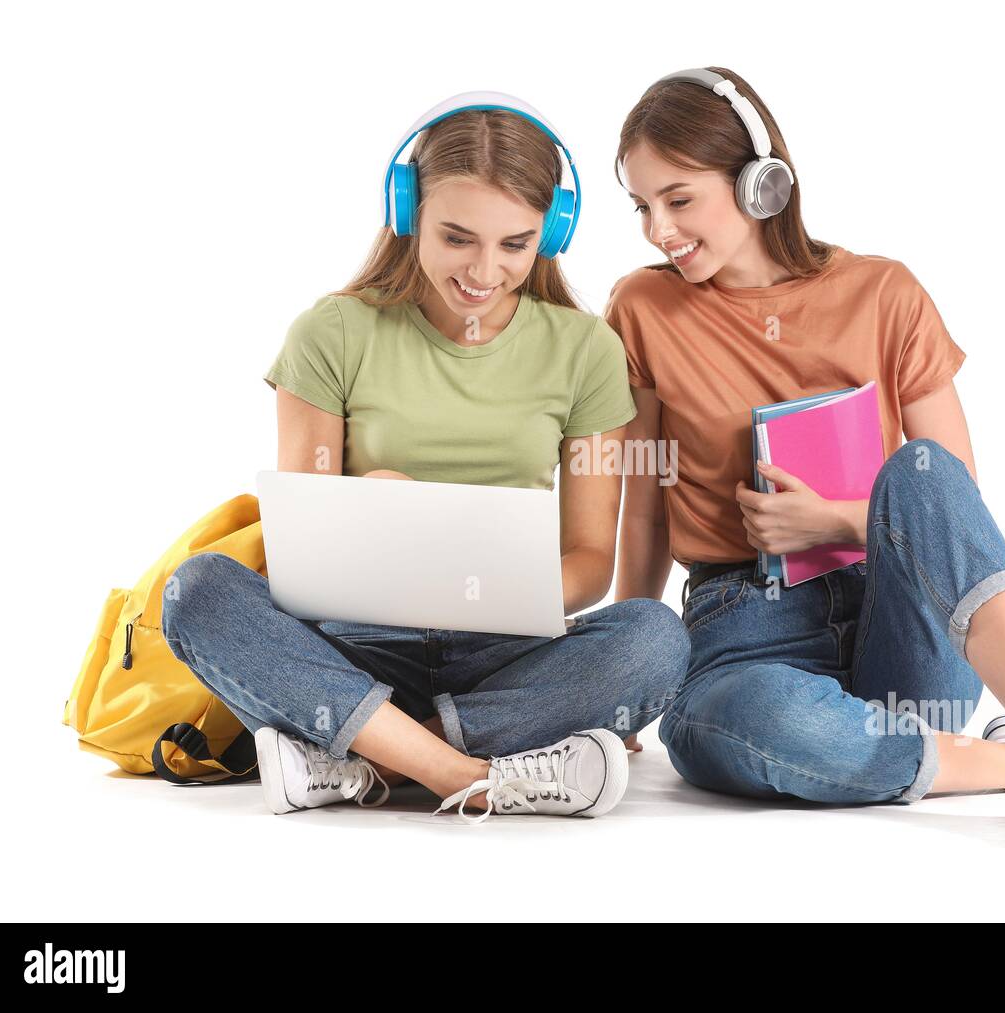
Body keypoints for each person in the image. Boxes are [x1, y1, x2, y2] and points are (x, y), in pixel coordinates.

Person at [604, 68, 1005, 842]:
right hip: (741, 624)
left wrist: (825, 519)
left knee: (919, 470)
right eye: (642, 207)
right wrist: (629, 668)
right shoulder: (643, 307)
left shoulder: (884, 293)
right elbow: (647, 498)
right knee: (751, 723)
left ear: (759, 184)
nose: (659, 229)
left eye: (678, 199)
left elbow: (952, 501)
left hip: (901, 615)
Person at [161, 93, 689, 824]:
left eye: (514, 243)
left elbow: (592, 560)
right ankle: (462, 769)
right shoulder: (333, 333)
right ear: (408, 213)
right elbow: (298, 554)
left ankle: (357, 758)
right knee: (198, 591)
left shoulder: (586, 351)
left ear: (553, 231)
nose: (485, 269)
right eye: (457, 237)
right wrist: (365, 509)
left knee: (654, 637)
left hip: (503, 655)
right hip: (354, 649)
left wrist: (495, 587)